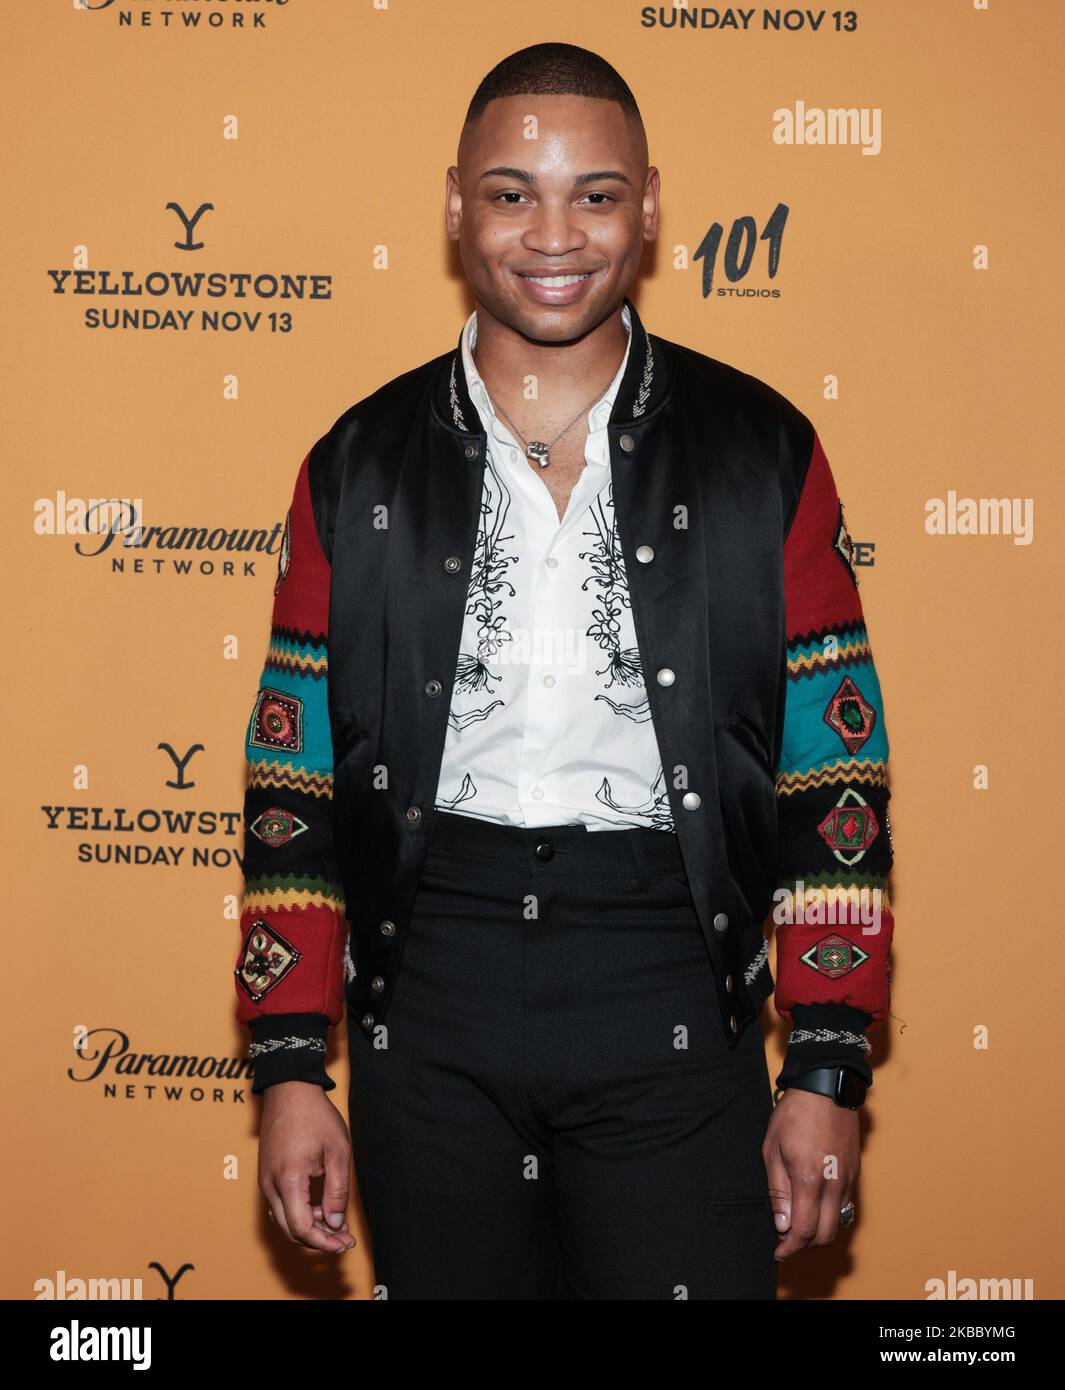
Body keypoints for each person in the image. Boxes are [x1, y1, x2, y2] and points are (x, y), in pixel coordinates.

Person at [233, 41, 895, 1300]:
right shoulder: (358, 464)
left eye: (594, 194)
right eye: (510, 192)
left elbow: (837, 779)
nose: (553, 234)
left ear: (650, 208)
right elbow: (291, 791)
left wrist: (822, 1064)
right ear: (452, 206)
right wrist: (287, 1067)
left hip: (670, 977)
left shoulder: (764, 452)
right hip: (428, 992)